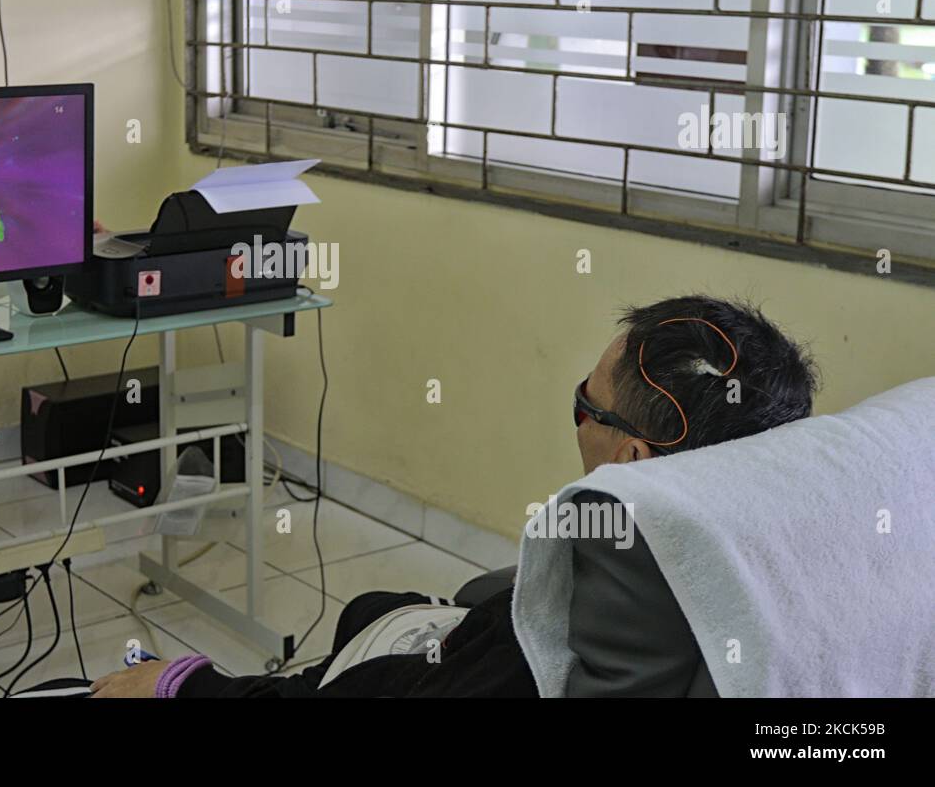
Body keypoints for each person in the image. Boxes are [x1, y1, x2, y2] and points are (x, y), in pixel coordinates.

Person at [89, 295, 818, 697]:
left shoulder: (566, 632)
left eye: (583, 406)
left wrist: (176, 684)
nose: (576, 421)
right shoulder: (802, 571)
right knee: (374, 608)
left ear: (631, 456)